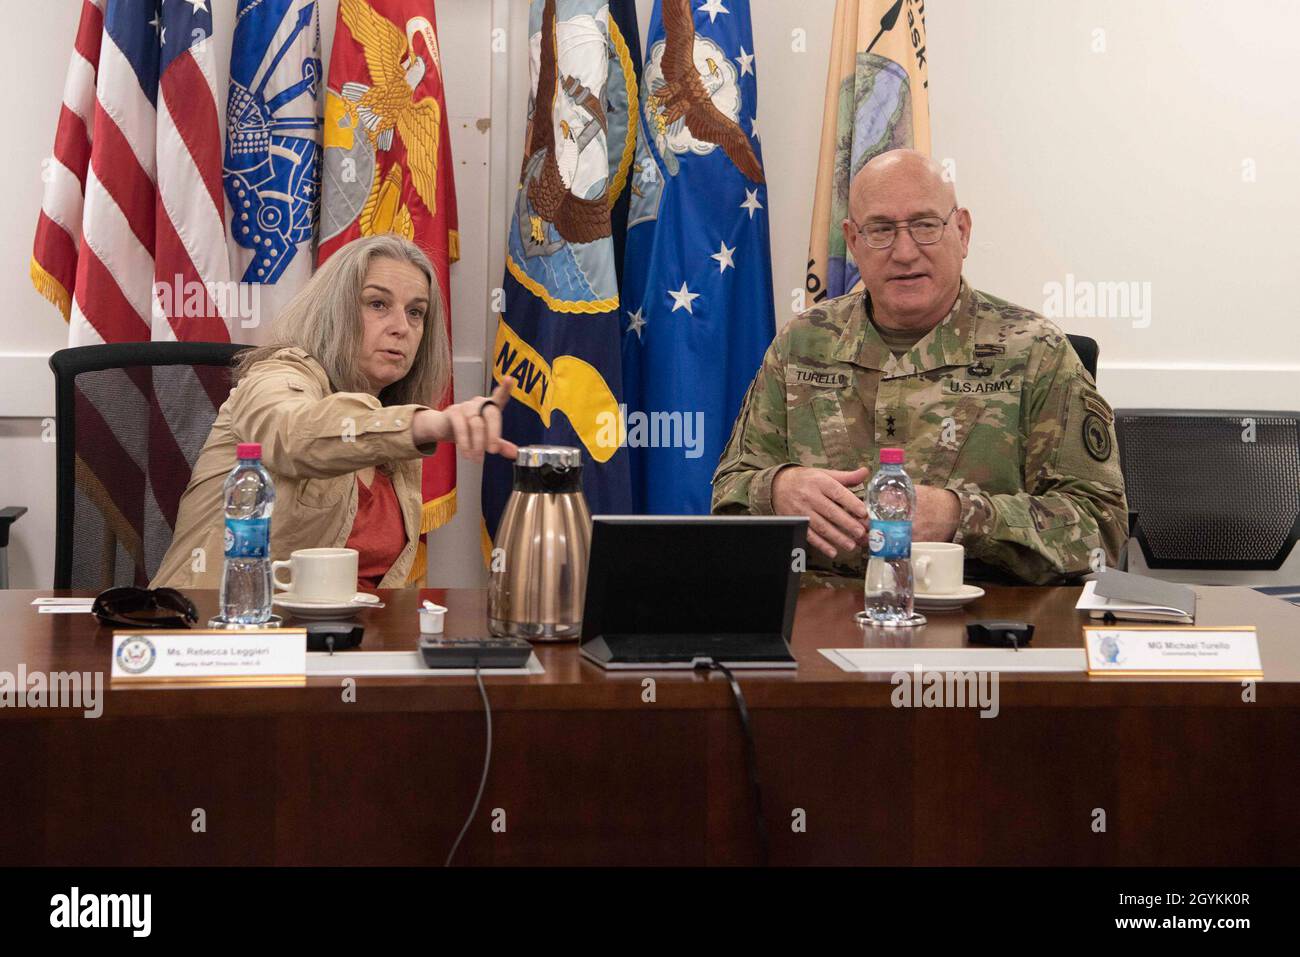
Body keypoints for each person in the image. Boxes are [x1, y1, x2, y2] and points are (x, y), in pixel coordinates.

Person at [711, 149, 1128, 585]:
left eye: (926, 226)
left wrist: (960, 517)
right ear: (853, 242)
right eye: (881, 230)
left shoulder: (1035, 352)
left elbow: (1101, 530)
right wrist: (777, 490)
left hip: (979, 627)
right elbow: (726, 497)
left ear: (962, 232)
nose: (905, 252)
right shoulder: (801, 344)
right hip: (824, 620)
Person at [153, 234, 517, 590]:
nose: (401, 327)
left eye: (416, 312)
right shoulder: (277, 377)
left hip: (343, 641)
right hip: (219, 633)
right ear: (335, 311)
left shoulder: (394, 424)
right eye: (377, 304)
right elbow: (293, 435)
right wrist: (429, 423)